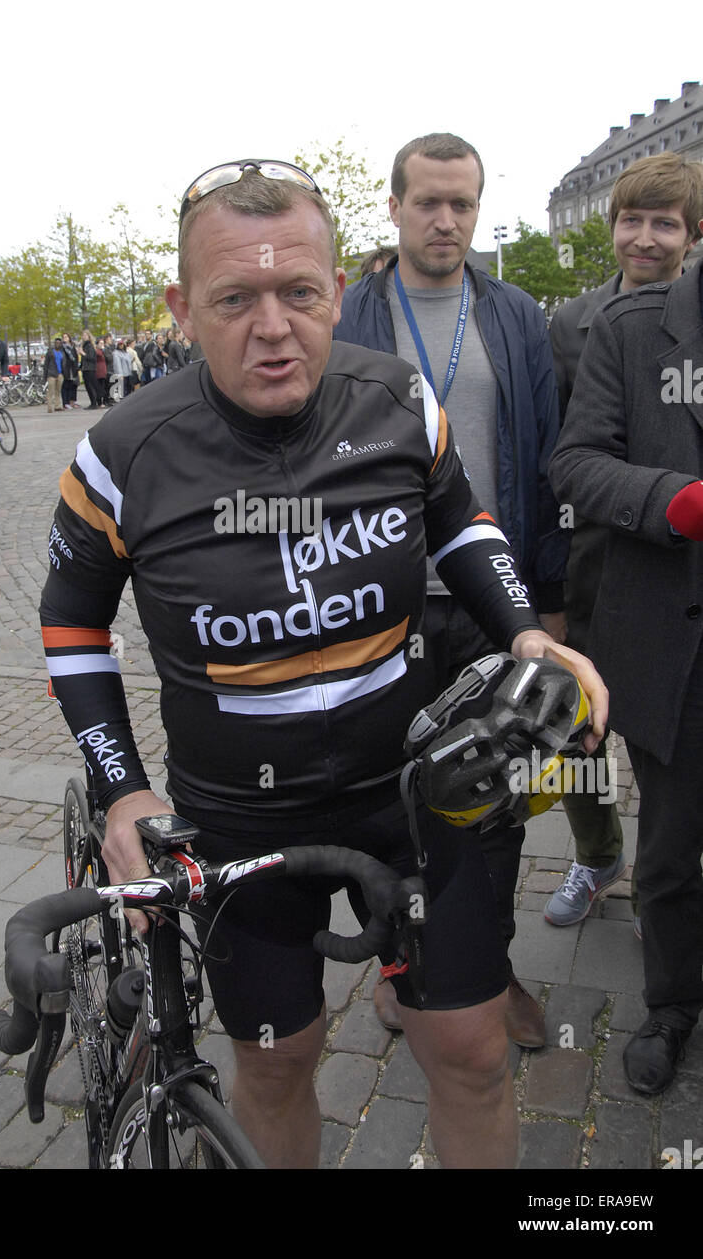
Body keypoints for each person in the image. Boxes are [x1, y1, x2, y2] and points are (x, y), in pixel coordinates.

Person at [40, 157, 607, 1168]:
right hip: (239, 811)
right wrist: (122, 792)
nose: (273, 326)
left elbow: (461, 522)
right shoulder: (123, 450)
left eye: (299, 292)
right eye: (235, 298)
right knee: (275, 1060)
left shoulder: (397, 395)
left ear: (338, 290)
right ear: (181, 307)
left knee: (472, 1051)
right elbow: (74, 623)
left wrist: (526, 630)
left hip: (414, 792)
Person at [334, 132, 568, 1048]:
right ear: (392, 206)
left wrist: (543, 603)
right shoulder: (349, 315)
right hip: (378, 605)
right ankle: (398, 962)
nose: (446, 219)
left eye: (462, 203)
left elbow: (545, 467)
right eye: (427, 201)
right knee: (384, 792)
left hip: (489, 607)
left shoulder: (512, 315)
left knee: (496, 797)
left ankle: (489, 967)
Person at [550, 233, 703, 1096]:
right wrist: (673, 501)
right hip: (678, 639)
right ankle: (674, 1002)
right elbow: (575, 463)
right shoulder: (633, 328)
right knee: (673, 847)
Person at [44, 338, 65, 413]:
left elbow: (63, 363)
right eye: (56, 343)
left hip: (59, 373)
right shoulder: (50, 352)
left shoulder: (61, 352)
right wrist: (45, 375)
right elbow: (46, 364)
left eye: (59, 343)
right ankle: (49, 407)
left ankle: (57, 406)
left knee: (58, 391)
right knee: (51, 391)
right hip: (51, 374)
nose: (57, 344)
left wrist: (63, 373)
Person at [80, 333, 100, 408]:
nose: (84, 337)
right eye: (83, 335)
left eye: (85, 335)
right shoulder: (85, 345)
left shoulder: (89, 346)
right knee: (88, 386)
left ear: (89, 337)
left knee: (91, 386)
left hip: (90, 369)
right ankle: (93, 402)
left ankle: (94, 403)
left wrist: (83, 353)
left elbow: (91, 358)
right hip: (86, 368)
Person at [61, 334, 80, 407]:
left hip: (73, 369)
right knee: (65, 386)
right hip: (66, 369)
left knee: (72, 385)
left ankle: (71, 401)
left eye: (66, 337)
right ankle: (65, 402)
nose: (65, 338)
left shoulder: (72, 347)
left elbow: (75, 358)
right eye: (63, 337)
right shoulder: (62, 348)